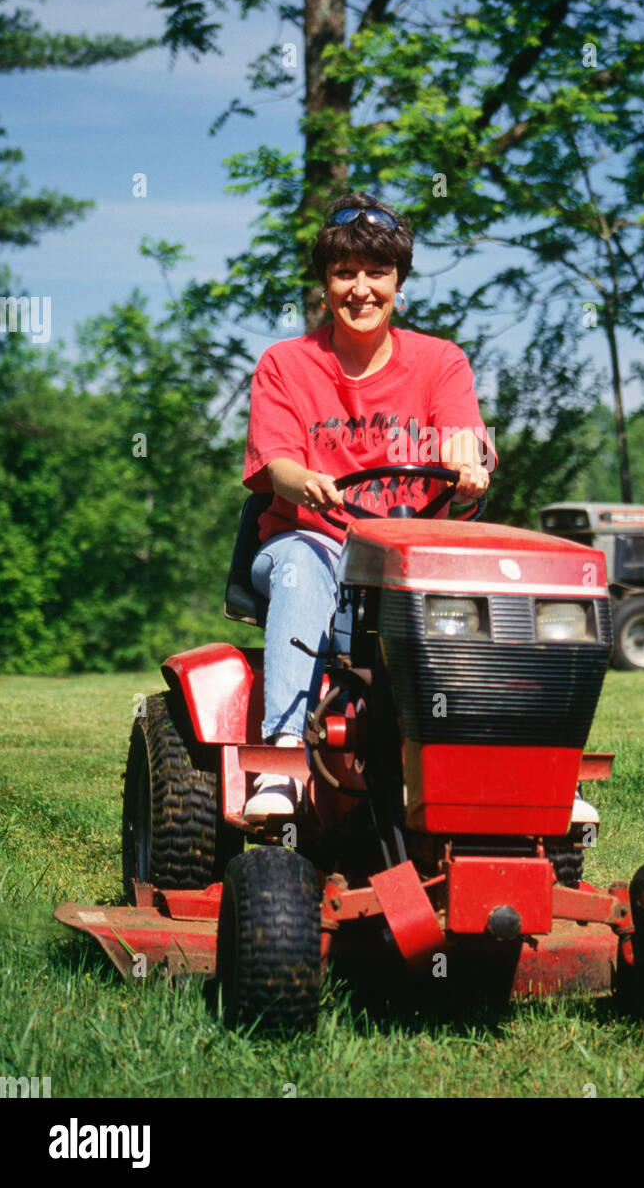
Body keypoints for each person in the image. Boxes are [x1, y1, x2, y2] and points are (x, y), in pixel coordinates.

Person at [240, 193, 494, 819]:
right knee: (301, 566)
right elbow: (277, 466)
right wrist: (304, 483)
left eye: (376, 273)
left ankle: (506, 758)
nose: (361, 289)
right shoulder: (286, 364)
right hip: (313, 538)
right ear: (325, 286)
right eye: (344, 273)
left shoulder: (439, 361)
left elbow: (464, 434)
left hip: (411, 553)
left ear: (398, 285)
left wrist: (468, 465)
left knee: (491, 592)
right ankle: (282, 761)